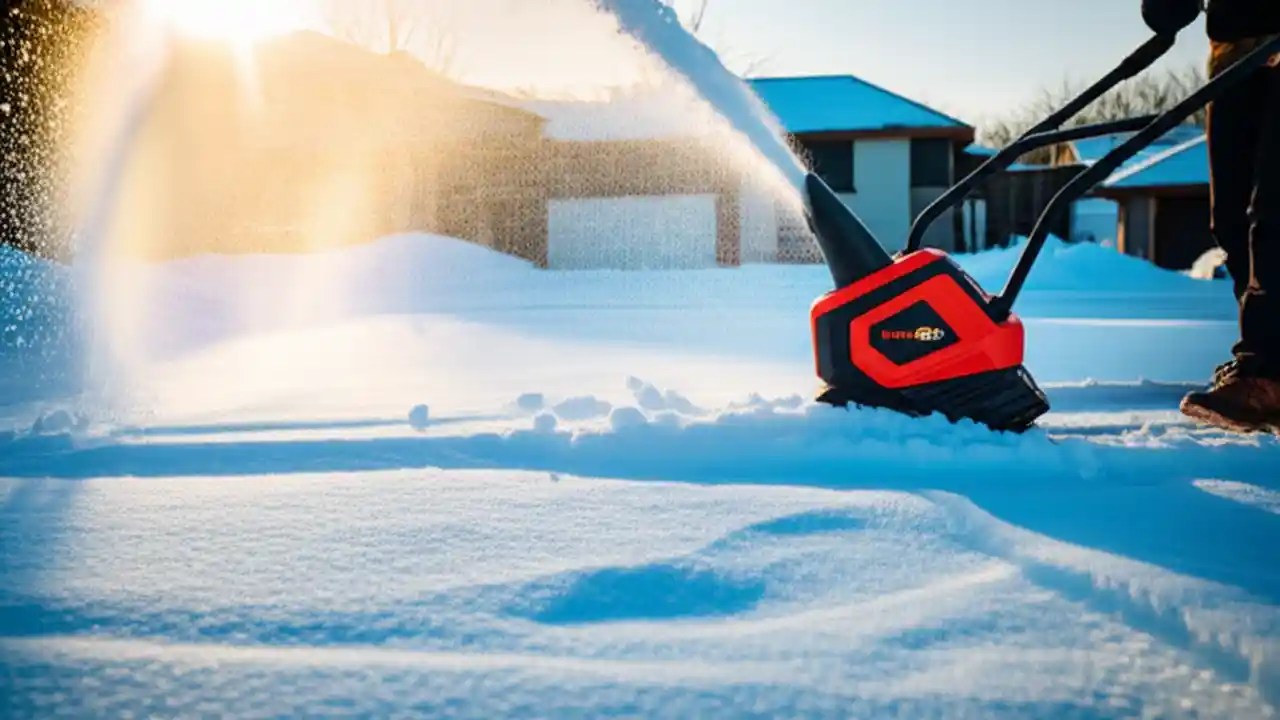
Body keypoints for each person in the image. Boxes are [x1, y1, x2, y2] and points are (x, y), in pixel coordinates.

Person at [1143, 0, 1280, 432]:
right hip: (1234, 57)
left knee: (1273, 214)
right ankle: (1263, 361)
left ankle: (1266, 372)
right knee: (1230, 219)